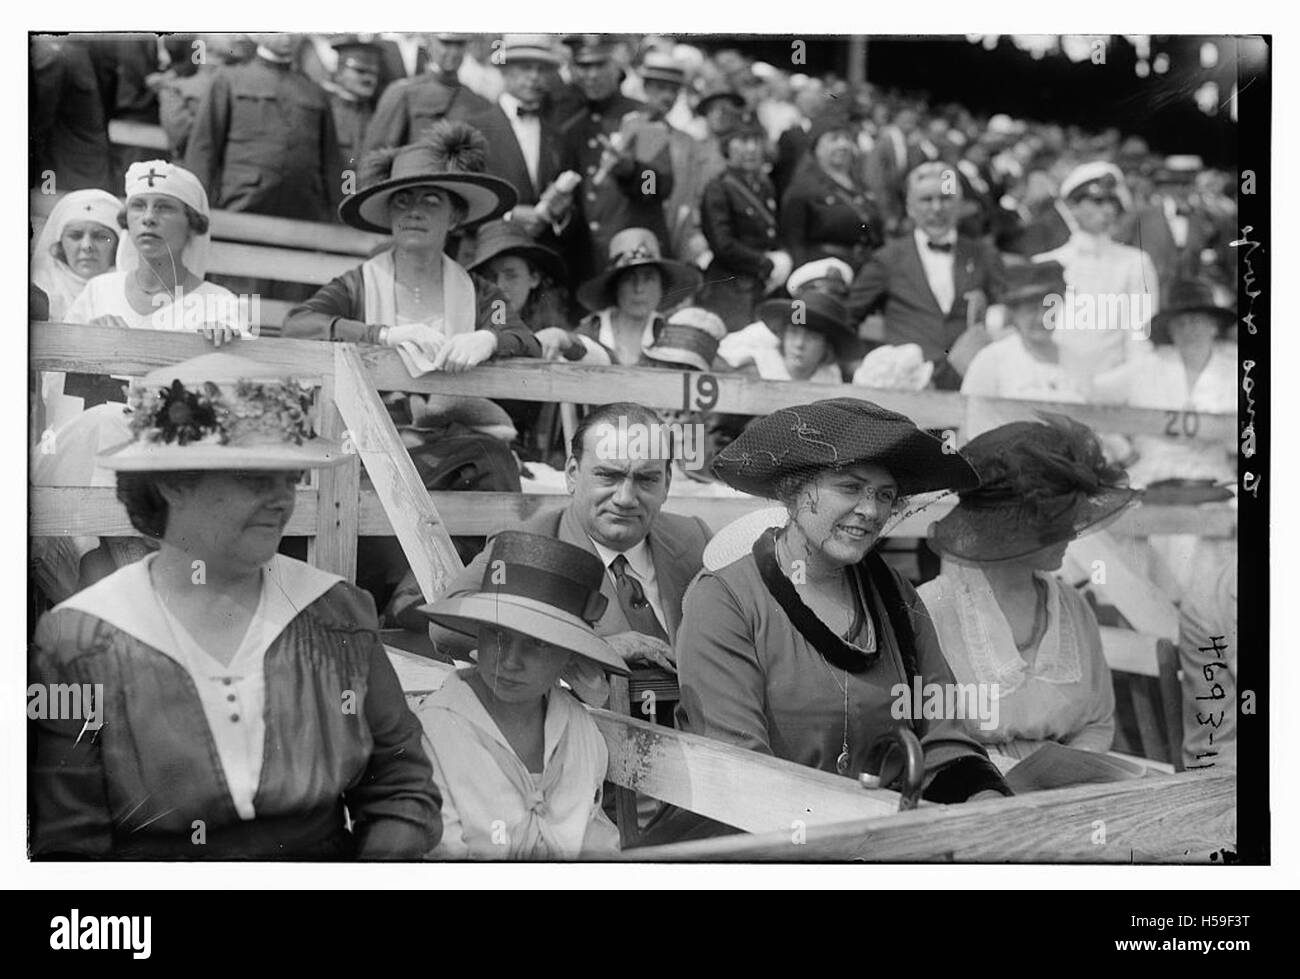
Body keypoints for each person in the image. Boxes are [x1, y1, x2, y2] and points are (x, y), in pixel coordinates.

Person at [29, 352, 442, 859]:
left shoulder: (339, 614)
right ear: (173, 481)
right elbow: (68, 844)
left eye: (290, 478)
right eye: (254, 477)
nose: (282, 500)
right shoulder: (79, 641)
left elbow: (402, 787)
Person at [675, 398, 1012, 806]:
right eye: (850, 487)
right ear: (795, 490)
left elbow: (942, 737)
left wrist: (986, 804)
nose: (870, 510)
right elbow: (740, 770)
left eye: (885, 495)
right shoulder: (726, 600)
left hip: (885, 840)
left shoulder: (895, 598)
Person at [400, 402, 712, 696]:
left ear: (667, 484)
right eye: (608, 476)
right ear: (573, 474)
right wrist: (591, 647)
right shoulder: (533, 542)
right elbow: (448, 625)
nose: (626, 498)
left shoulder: (694, 537)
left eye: (646, 480)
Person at [918, 416, 1135, 761]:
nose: (1070, 532)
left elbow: (1097, 722)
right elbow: (923, 736)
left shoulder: (1073, 607)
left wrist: (1069, 771)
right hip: (970, 790)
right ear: (1003, 526)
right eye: (1051, 522)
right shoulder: (931, 610)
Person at [415, 532, 629, 859]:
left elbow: (597, 845)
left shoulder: (579, 731)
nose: (511, 661)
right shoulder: (434, 733)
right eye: (498, 635)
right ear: (478, 634)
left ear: (569, 656)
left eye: (538, 643)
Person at [282, 121, 539, 372]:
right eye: (402, 202)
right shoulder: (356, 286)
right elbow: (298, 325)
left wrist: (489, 339)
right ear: (390, 216)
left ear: (454, 218)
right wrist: (382, 335)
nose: (414, 212)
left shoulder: (479, 294)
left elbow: (522, 337)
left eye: (431, 201)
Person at [847, 161, 1006, 390]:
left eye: (946, 198)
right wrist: (860, 368)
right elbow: (848, 316)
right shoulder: (888, 258)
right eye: (926, 200)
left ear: (959, 205)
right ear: (910, 208)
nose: (937, 208)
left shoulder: (985, 256)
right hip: (907, 391)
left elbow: (1010, 314)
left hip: (971, 387)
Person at [64, 160, 245, 344]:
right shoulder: (99, 291)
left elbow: (243, 369)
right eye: (138, 206)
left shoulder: (220, 304)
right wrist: (87, 341)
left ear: (192, 224)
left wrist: (219, 348)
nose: (148, 218)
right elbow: (57, 367)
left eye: (164, 207)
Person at [1090, 278, 1235, 490]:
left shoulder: (1234, 372)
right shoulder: (1146, 367)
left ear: (1214, 326)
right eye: (1180, 324)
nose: (1189, 331)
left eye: (1196, 321)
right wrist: (1123, 452)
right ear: (1170, 331)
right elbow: (1093, 401)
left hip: (1215, 476)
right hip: (1150, 476)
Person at [184, 33, 342, 228]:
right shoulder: (228, 80)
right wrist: (195, 207)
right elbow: (203, 149)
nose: (287, 36)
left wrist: (339, 216)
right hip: (241, 204)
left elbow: (332, 162)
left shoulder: (314, 91)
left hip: (303, 212)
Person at [1030, 161, 1159, 391]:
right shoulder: (1047, 263)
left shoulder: (1134, 263)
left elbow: (1140, 337)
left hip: (1113, 388)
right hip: (1054, 385)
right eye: (1097, 201)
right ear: (1073, 206)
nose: (1108, 210)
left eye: (1113, 203)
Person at [557, 35, 675, 285]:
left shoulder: (644, 116)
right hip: (586, 256)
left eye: (600, 66)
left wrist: (632, 170)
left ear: (618, 68)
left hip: (632, 251)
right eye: (584, 67)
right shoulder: (569, 121)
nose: (592, 75)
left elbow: (656, 187)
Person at [960, 260, 1087, 438]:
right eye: (1031, 310)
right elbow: (972, 425)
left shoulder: (1075, 362)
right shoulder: (992, 359)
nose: (1042, 318)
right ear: (1014, 313)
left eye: (1049, 309)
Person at [464, 35, 571, 243]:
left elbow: (570, 213)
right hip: (490, 249)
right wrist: (508, 216)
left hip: (543, 254)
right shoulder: (473, 129)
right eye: (525, 68)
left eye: (541, 69)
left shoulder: (557, 136)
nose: (534, 77)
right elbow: (464, 200)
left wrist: (560, 213)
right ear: (504, 70)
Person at [698, 119, 790, 331]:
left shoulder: (764, 186)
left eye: (756, 141)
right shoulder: (719, 188)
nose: (751, 148)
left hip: (760, 286)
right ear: (727, 146)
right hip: (730, 288)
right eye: (743, 141)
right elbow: (723, 244)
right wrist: (764, 263)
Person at [571, 227, 702, 366]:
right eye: (629, 278)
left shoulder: (674, 338)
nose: (639, 288)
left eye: (648, 278)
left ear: (661, 286)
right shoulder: (589, 333)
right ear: (615, 286)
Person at [779, 109, 882, 273]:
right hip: (827, 273)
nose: (843, 145)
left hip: (865, 268)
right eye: (834, 139)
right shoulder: (802, 188)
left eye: (847, 138)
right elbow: (794, 242)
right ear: (816, 147)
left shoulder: (859, 184)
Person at [360, 33, 491, 155]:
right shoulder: (403, 93)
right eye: (446, 44)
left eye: (459, 45)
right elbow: (376, 155)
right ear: (429, 44)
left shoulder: (476, 101)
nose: (453, 52)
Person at [30, 34, 113, 192]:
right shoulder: (70, 50)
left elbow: (38, 126)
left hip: (64, 172)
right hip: (80, 168)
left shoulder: (54, 54)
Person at [31, 189, 120, 322]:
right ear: (60, 244)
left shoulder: (130, 291)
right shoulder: (35, 292)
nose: (86, 246)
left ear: (118, 245)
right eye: (75, 236)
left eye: (101, 237)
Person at [322, 37, 384, 172]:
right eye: (360, 71)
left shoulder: (379, 115)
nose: (368, 79)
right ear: (339, 73)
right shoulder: (325, 112)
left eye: (374, 73)